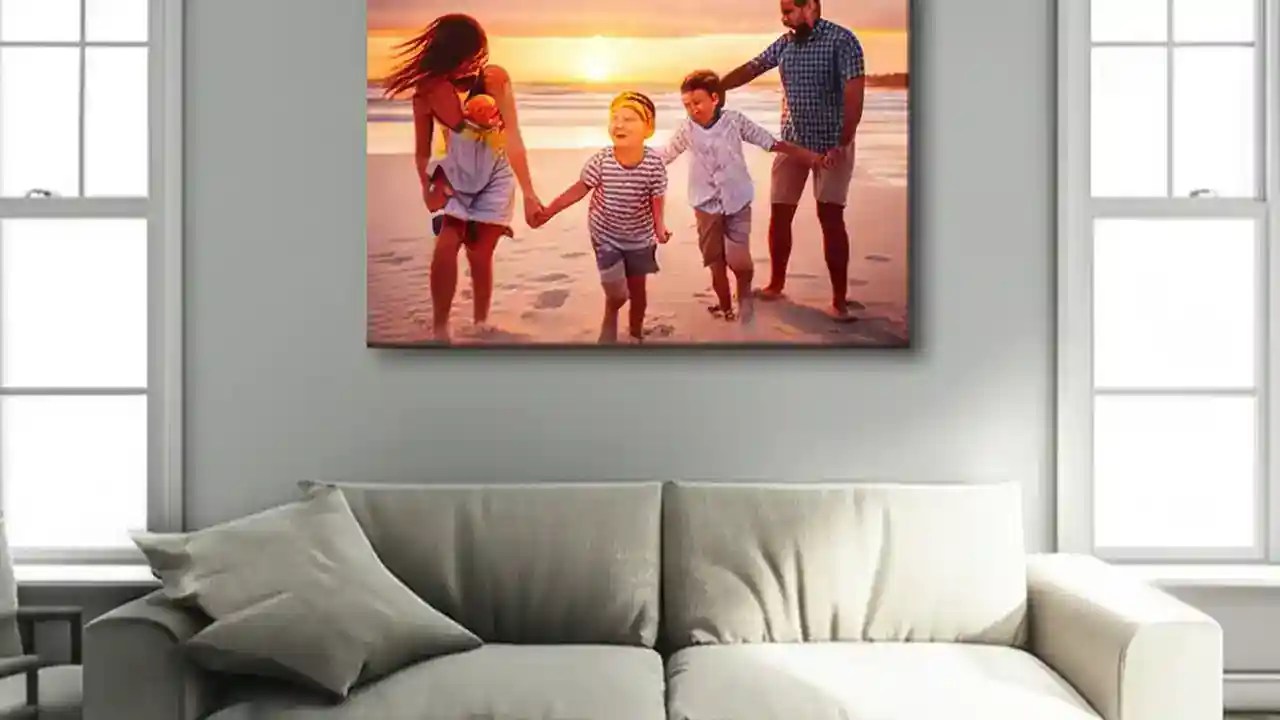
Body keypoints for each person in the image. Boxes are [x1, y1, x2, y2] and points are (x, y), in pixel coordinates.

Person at [382, 14, 545, 343]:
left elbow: (513, 137)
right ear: (449, 52)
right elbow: (422, 152)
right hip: (454, 175)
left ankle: (480, 322)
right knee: (446, 246)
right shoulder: (427, 90)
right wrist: (428, 187)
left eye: (479, 55)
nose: (476, 63)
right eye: (470, 55)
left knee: (479, 253)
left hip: (495, 176)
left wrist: (529, 192)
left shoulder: (494, 80)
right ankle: (441, 327)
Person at [721, 0, 866, 322]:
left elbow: (855, 95)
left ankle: (839, 301)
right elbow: (752, 67)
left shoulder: (843, 41)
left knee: (830, 217)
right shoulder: (785, 43)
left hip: (832, 145)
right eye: (782, 11)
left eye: (789, 11)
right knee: (780, 212)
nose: (783, 18)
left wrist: (841, 142)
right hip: (793, 143)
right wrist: (717, 86)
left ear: (810, 6)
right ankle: (775, 284)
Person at [659, 69, 825, 323]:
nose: (692, 109)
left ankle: (745, 300)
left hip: (737, 200)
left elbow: (770, 142)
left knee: (739, 261)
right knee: (715, 262)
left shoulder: (734, 121)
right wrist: (628, 158)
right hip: (705, 205)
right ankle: (726, 308)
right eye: (687, 105)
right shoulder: (687, 130)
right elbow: (667, 154)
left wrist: (812, 158)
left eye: (697, 102)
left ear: (715, 98)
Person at [532, 92, 670, 344]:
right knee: (617, 293)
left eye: (629, 119)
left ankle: (636, 335)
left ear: (648, 129)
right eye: (614, 118)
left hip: (640, 237)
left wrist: (660, 229)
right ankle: (611, 315)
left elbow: (656, 200)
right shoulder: (602, 160)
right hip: (605, 234)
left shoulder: (654, 165)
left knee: (638, 291)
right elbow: (578, 189)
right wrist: (549, 211)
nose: (619, 124)